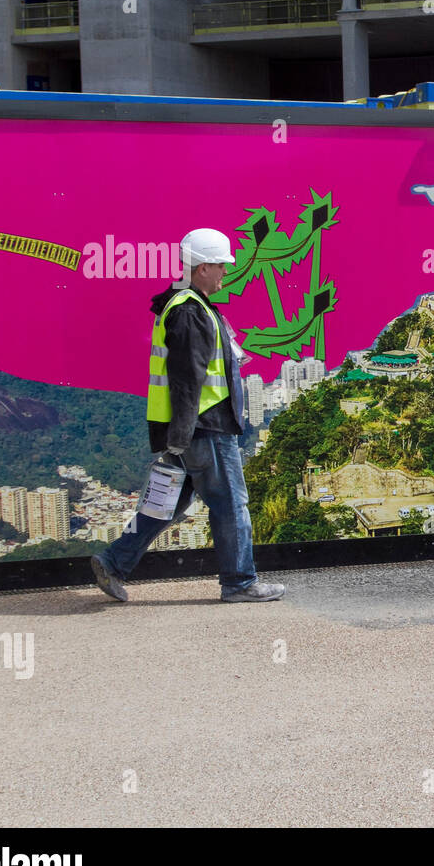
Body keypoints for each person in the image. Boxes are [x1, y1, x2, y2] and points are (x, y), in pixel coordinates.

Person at [91, 228, 285, 603]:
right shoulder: (189, 312)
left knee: (168, 504)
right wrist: (179, 436)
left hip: (191, 429)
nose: (225, 274)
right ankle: (240, 583)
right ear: (202, 268)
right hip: (205, 428)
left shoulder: (190, 306)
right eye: (220, 267)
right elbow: (187, 380)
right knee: (231, 504)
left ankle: (113, 562)